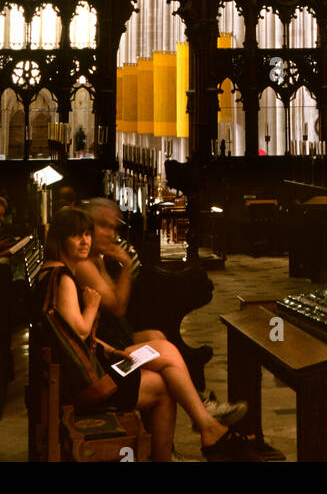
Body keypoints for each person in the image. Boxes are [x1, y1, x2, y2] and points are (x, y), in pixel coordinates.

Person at [76, 198, 247, 457]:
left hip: (107, 351)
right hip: (103, 365)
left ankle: (195, 420)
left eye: (114, 228)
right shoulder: (85, 265)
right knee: (165, 355)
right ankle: (204, 420)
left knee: (156, 336)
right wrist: (124, 264)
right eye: (104, 226)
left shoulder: (95, 259)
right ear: (85, 228)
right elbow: (118, 306)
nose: (111, 234)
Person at [31, 206, 176, 462]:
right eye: (77, 236)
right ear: (60, 239)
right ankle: (165, 456)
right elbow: (81, 330)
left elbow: (72, 334)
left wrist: (110, 350)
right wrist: (92, 305)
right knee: (162, 386)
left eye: (87, 234)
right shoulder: (62, 278)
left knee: (158, 355)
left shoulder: (47, 272)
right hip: (87, 386)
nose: (85, 241)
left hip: (72, 378)